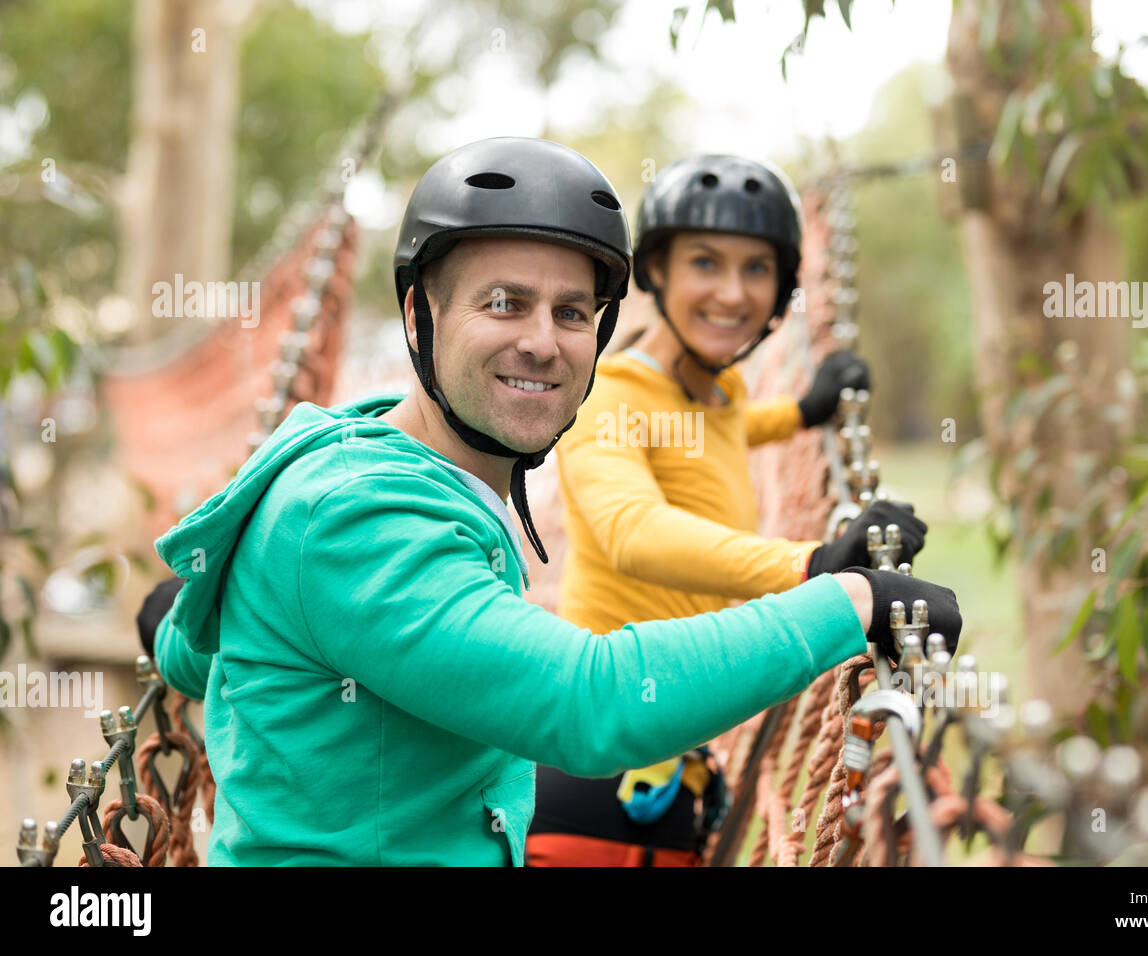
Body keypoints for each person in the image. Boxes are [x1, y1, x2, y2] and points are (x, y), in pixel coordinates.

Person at [146, 137, 961, 866]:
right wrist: (843, 596)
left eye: (571, 312)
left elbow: (240, 649)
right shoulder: (357, 515)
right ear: (417, 313)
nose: (542, 340)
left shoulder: (407, 470)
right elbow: (587, 703)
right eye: (503, 302)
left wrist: (180, 629)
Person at [527, 154, 938, 866]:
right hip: (594, 782)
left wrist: (804, 413)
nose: (731, 293)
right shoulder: (610, 394)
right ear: (655, 271)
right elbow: (630, 530)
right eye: (706, 263)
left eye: (756, 269)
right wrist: (815, 565)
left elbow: (717, 432)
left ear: (782, 292)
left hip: (672, 764)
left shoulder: (717, 394)